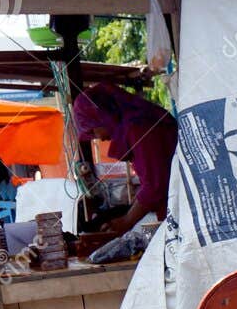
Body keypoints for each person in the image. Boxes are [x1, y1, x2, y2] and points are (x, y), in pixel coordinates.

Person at [71, 84, 179, 236]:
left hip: (182, 212)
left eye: (94, 130)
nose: (100, 138)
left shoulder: (139, 127)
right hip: (175, 212)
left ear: (104, 116)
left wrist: (126, 221)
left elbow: (155, 186)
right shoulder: (135, 123)